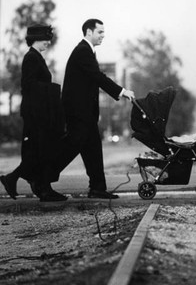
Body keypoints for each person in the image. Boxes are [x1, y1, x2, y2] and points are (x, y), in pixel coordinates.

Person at [40, 19, 135, 199]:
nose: (103, 36)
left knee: (92, 147)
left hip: (84, 112)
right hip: (78, 112)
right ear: (89, 32)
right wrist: (121, 91)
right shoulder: (83, 51)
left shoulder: (87, 52)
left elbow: (91, 81)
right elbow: (98, 77)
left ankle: (97, 188)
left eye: (103, 33)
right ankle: (41, 180)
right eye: (100, 32)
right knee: (70, 147)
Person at [1, 24, 67, 202]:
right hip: (36, 115)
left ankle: (37, 185)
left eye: (48, 39)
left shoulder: (36, 57)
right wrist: (52, 90)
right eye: (45, 39)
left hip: (39, 113)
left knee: (40, 152)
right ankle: (37, 186)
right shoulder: (31, 58)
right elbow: (28, 85)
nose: (48, 42)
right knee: (39, 152)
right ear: (35, 39)